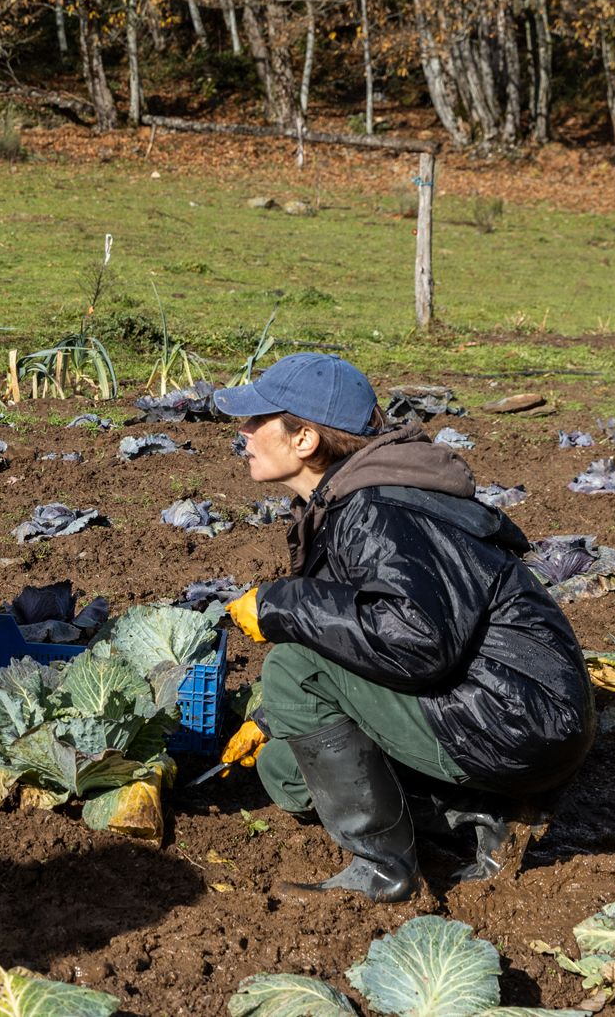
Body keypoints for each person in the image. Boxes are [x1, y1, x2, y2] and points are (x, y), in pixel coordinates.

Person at [216, 353, 594, 902]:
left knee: (291, 666)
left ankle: (384, 874)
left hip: (517, 718)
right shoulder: (358, 497)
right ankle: (482, 814)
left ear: (304, 441)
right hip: (506, 709)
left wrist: (280, 604)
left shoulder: (378, 509)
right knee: (285, 768)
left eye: (257, 420)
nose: (243, 433)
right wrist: (274, 718)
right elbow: (363, 636)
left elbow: (416, 641)